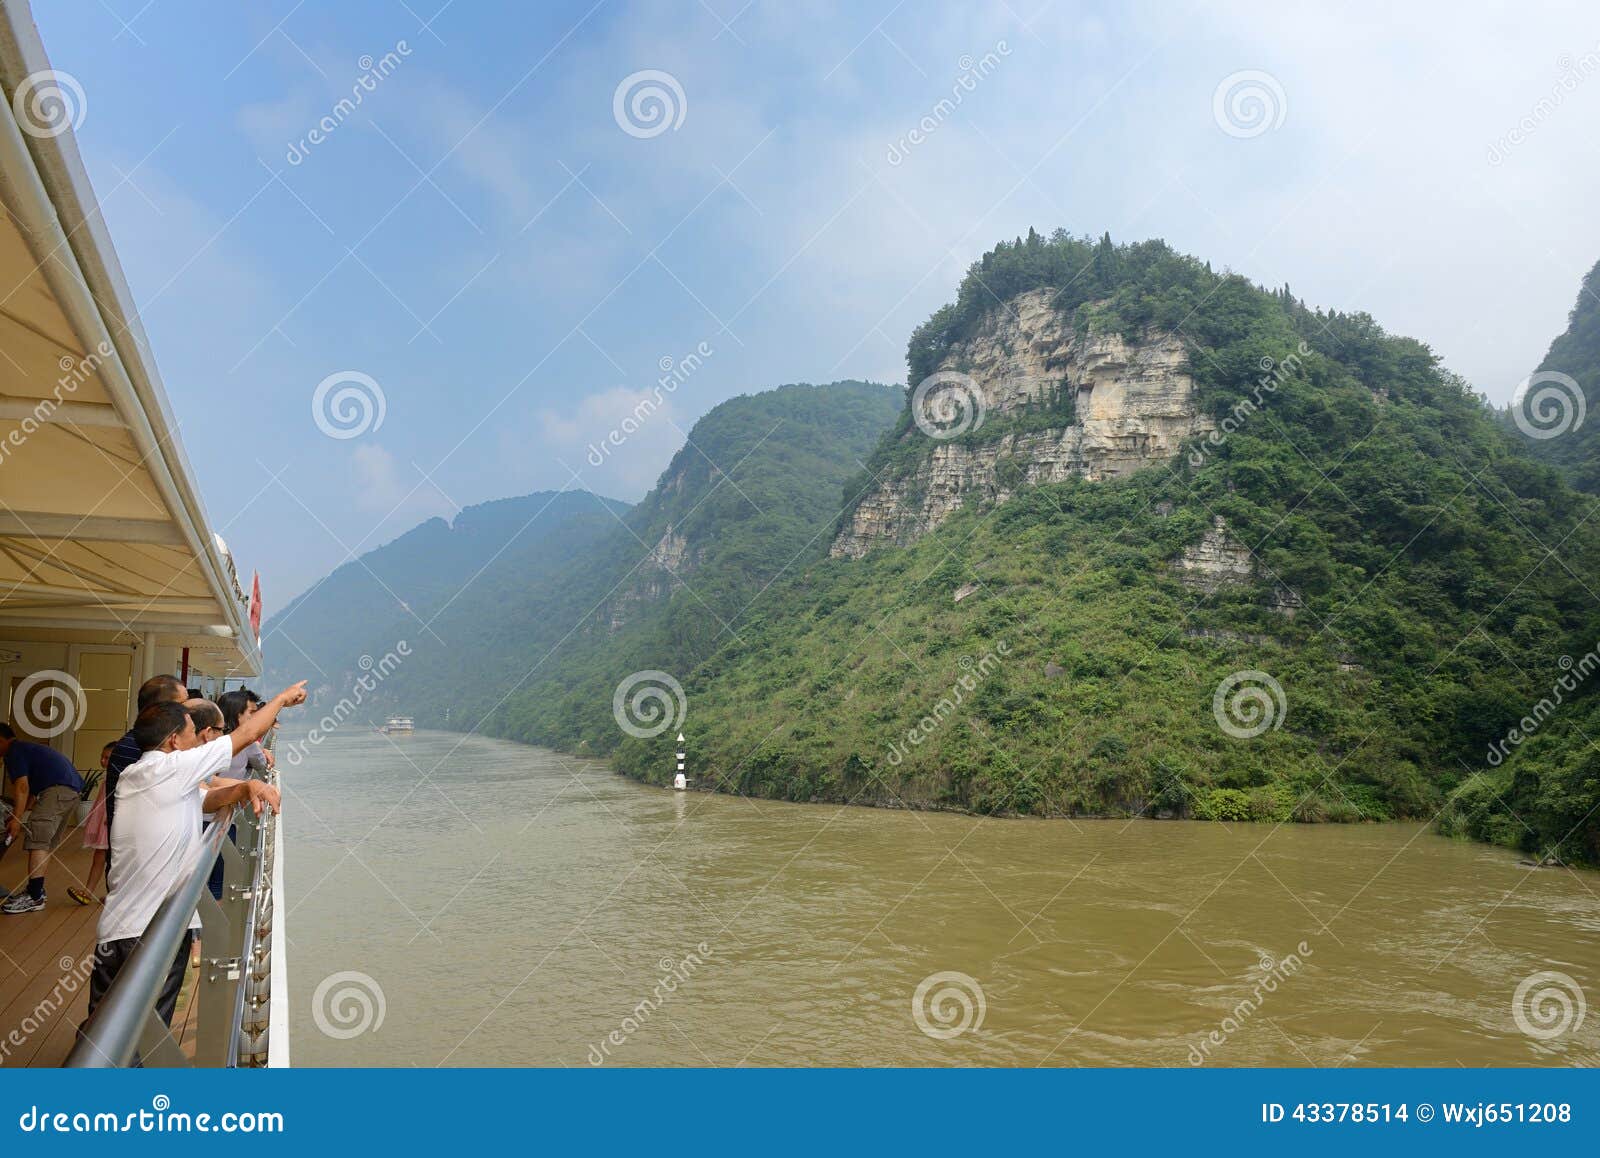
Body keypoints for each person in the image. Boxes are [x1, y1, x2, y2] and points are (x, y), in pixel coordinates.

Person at [83, 681, 304, 1030]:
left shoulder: (154, 776)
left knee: (104, 1031)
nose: (204, 740)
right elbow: (245, 735)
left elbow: (206, 799)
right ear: (173, 740)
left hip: (128, 929)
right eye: (193, 734)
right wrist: (281, 700)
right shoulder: (166, 769)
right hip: (149, 933)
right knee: (138, 1038)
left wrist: (245, 787)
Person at [0, 723, 86, 914]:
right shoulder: (28, 749)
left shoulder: (14, 752)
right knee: (44, 843)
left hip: (56, 791)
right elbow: (29, 791)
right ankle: (37, 891)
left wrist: (16, 818)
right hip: (70, 793)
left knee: (38, 840)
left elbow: (22, 787)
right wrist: (17, 815)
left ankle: (34, 896)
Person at [105, 675, 188, 868]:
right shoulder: (137, 748)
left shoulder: (144, 744)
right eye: (182, 705)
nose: (187, 712)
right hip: (136, 867)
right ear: (162, 709)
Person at [67, 741, 116, 907]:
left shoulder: (117, 778)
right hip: (103, 820)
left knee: (107, 858)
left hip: (108, 822)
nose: (103, 761)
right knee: (100, 857)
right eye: (102, 757)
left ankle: (95, 893)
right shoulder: (108, 776)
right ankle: (91, 892)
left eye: (107, 758)